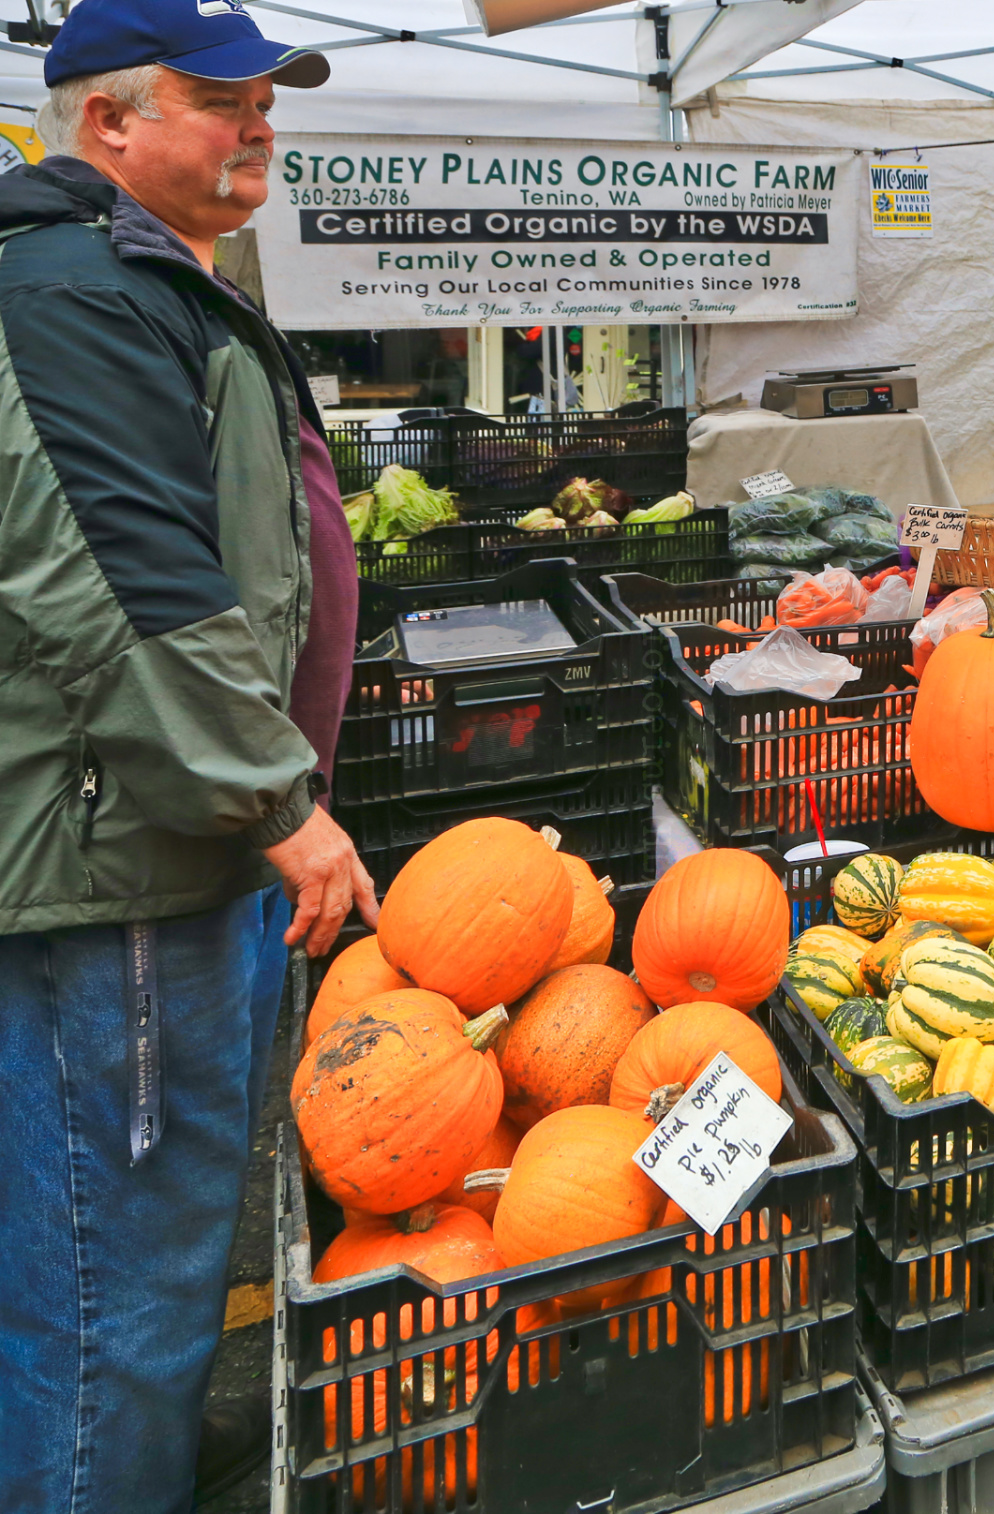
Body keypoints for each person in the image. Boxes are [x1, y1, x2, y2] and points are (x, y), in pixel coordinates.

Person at [0, 3, 380, 1510]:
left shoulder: (140, 274)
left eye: (266, 100)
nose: (261, 126)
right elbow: (120, 582)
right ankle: (101, 1466)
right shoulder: (71, 290)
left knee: (135, 1242)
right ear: (110, 120)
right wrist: (276, 800)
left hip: (166, 843)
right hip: (124, 860)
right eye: (225, 101)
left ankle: (129, 1443)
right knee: (110, 1260)